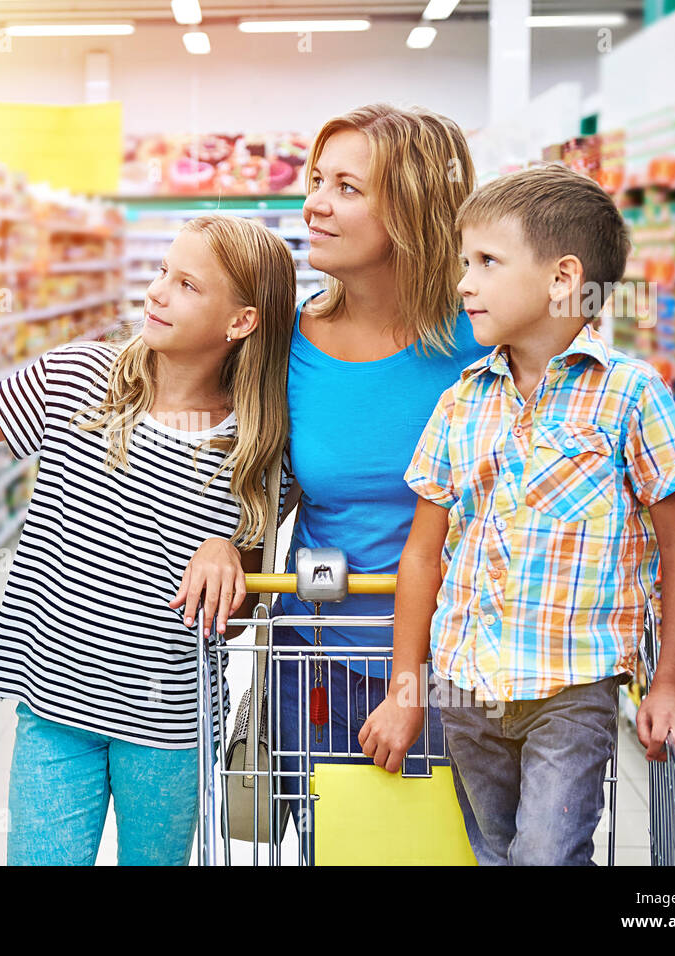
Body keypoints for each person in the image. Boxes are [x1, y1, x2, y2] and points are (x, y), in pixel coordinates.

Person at [0, 213, 295, 865]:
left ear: (241, 322)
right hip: (55, 711)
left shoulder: (257, 447)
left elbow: (236, 617)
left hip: (170, 729)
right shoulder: (78, 379)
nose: (158, 291)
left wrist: (230, 554)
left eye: (188, 284)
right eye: (163, 270)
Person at [361, 163, 675, 866]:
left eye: (487, 262)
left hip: (571, 684)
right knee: (492, 852)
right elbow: (423, 554)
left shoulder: (629, 396)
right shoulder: (462, 402)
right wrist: (407, 687)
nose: (464, 283)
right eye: (466, 262)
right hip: (465, 687)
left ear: (562, 278)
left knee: (546, 856)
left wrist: (671, 684)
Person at [173, 105, 490, 859]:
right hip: (316, 665)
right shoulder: (286, 348)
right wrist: (224, 540)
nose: (313, 202)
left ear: (414, 208)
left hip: (466, 674)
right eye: (317, 180)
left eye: (347, 187)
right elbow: (255, 485)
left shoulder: (487, 335)